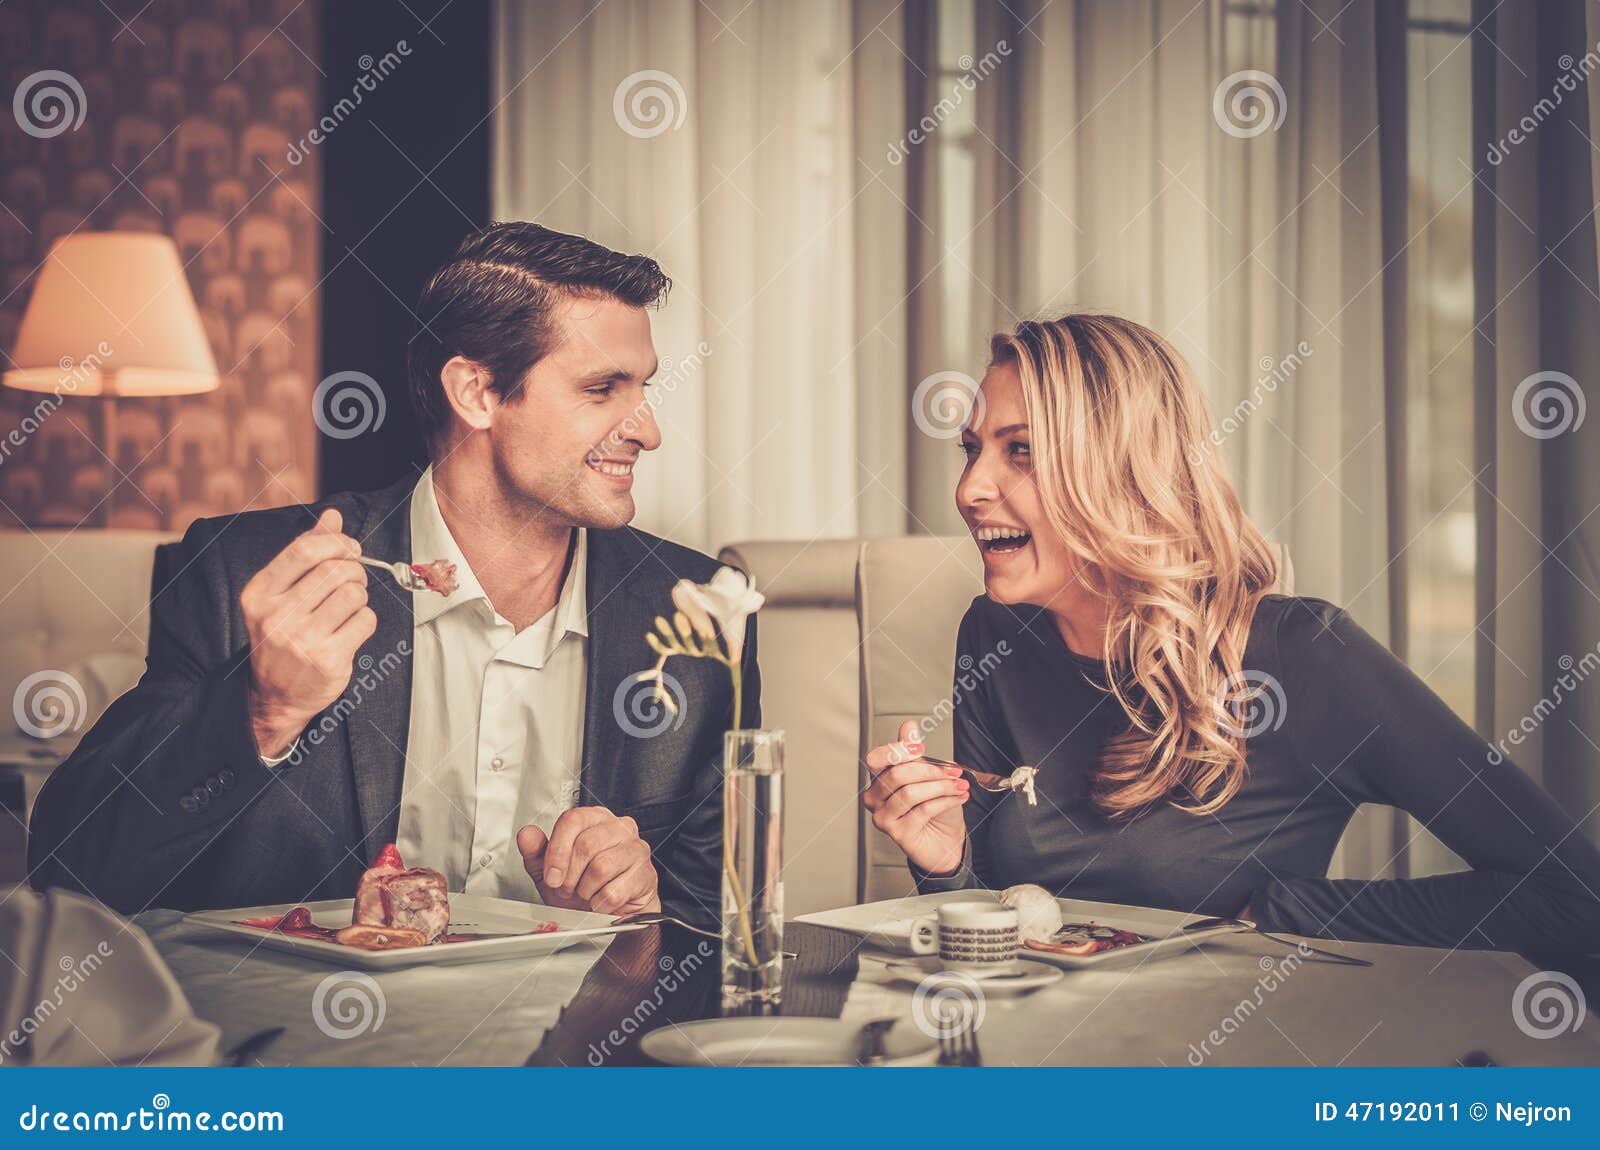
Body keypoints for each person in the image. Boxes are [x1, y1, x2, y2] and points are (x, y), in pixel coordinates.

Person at [28, 222, 757, 926]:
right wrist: (259, 710)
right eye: (603, 390)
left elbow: (726, 932)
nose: (648, 429)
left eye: (644, 389)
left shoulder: (699, 615)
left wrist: (637, 912)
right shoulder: (244, 573)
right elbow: (71, 868)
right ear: (476, 393)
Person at [862, 312, 1600, 953]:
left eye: (1019, 450)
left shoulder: (1303, 655)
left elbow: (1573, 891)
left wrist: (1284, 910)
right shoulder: (995, 635)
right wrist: (946, 860)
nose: (969, 488)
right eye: (972, 448)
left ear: (1120, 471)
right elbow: (1008, 923)